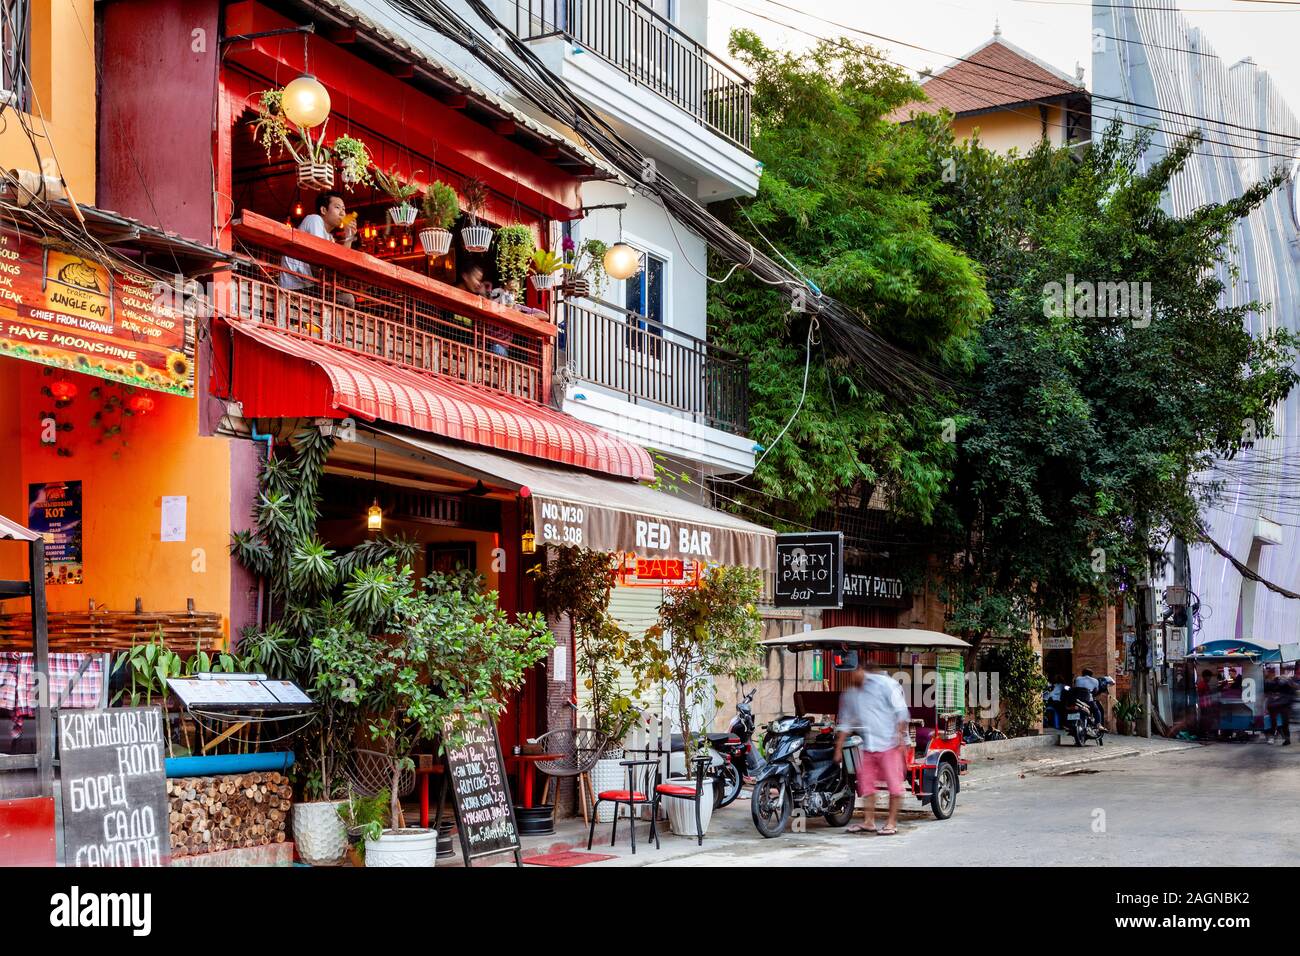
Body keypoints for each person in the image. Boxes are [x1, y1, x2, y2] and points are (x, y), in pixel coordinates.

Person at [834, 659, 911, 836]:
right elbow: (846, 722)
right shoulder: (850, 694)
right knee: (866, 784)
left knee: (894, 786)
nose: (850, 677)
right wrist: (838, 748)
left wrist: (900, 739)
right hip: (868, 745)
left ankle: (891, 822)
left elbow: (901, 712)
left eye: (853, 672)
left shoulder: (886, 684)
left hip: (889, 744)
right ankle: (869, 821)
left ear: (861, 669)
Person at [280, 191, 357, 311]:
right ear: (323, 210)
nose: (343, 212)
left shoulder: (330, 238)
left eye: (343, 209)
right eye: (337, 207)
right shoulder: (314, 219)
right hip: (294, 286)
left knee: (347, 299)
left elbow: (341, 263)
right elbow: (321, 258)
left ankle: (331, 328)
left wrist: (349, 235)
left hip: (308, 287)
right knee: (347, 299)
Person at [1264, 667, 1294, 745]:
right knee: (1284, 722)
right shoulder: (1286, 681)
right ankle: (1286, 738)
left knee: (1274, 722)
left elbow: (1267, 692)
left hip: (1277, 704)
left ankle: (1274, 737)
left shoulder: (1271, 682)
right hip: (1282, 704)